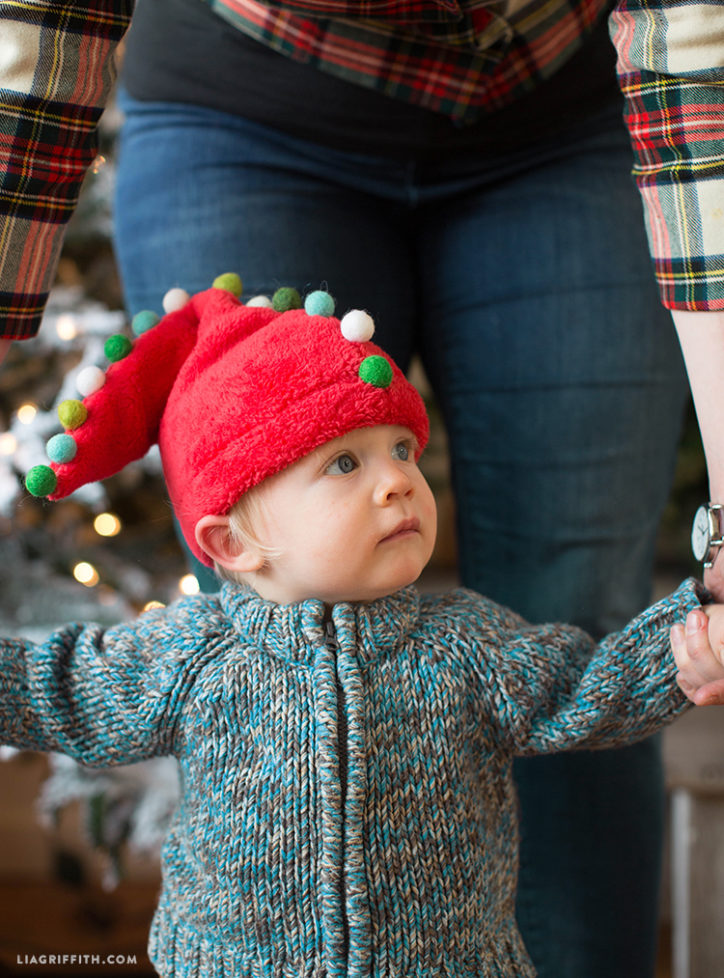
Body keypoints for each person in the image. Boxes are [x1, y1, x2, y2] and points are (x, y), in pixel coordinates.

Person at [1, 2, 722, 975]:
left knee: (573, 593)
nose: (397, 483)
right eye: (348, 464)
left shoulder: (477, 651)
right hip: (242, 95)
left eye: (399, 453)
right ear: (225, 545)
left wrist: (688, 641)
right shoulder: (183, 657)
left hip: (563, 106)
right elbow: (58, 689)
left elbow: (585, 689)